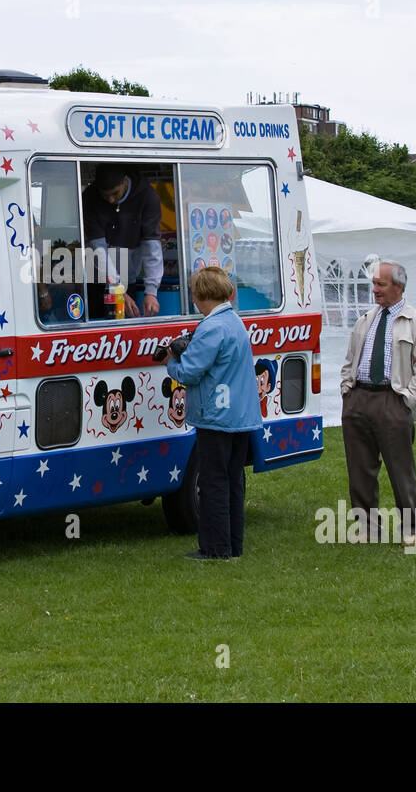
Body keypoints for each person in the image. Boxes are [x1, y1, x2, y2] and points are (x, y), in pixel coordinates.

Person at [160, 266, 262, 560]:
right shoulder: (233, 321)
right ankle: (232, 544)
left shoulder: (210, 327)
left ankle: (215, 548)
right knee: (232, 482)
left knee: (213, 483)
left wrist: (171, 362)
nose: (192, 298)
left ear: (202, 294)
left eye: (193, 292)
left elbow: (190, 373)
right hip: (240, 414)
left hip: (216, 415)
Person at [340, 260, 416, 544]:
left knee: (400, 470)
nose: (374, 290)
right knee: (359, 469)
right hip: (359, 399)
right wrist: (348, 389)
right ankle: (367, 528)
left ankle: (410, 530)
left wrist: (407, 400)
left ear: (399, 286)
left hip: (392, 402)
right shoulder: (365, 320)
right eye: (373, 284)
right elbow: (350, 360)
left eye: (380, 285)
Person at [82, 164, 163, 318]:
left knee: (125, 323)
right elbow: (98, 248)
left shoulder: (147, 196)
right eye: (105, 196)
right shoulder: (89, 198)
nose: (111, 199)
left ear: (125, 181)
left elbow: (151, 246)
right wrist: (118, 289)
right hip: (96, 278)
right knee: (95, 325)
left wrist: (151, 292)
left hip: (128, 277)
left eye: (115, 193)